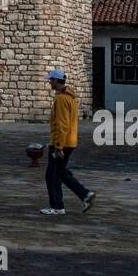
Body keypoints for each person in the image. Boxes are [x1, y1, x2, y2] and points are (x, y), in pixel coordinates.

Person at [41, 67, 95, 217]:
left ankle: (59, 205)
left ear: (58, 81)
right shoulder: (70, 98)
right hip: (69, 141)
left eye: (51, 79)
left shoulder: (61, 99)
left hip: (62, 143)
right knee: (60, 172)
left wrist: (58, 146)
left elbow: (62, 124)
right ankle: (84, 195)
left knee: (52, 175)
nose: (49, 82)